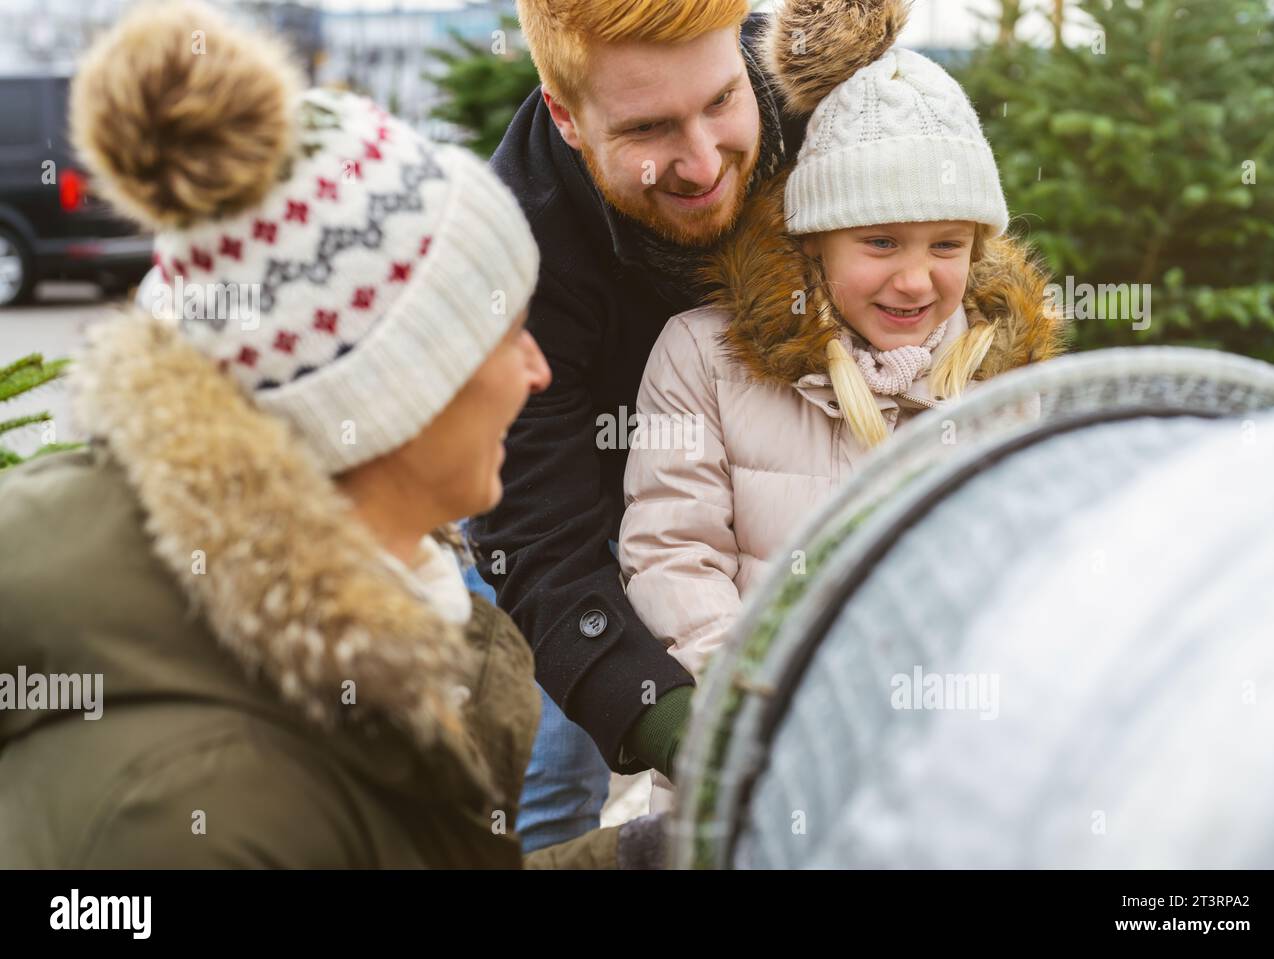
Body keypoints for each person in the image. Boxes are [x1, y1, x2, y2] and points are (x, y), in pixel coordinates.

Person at [0, 0, 659, 868]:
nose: (537, 373)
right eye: (505, 333)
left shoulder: (352, 605)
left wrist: (648, 855)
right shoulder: (200, 812)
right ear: (389, 394)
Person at [469, 0, 905, 828]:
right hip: (583, 511)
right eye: (648, 130)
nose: (703, 163)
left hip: (765, 488)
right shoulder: (514, 248)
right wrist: (689, 734)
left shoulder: (810, 100)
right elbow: (529, 526)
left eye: (719, 103)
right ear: (566, 116)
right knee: (549, 777)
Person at [619, 27, 1069, 806]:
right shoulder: (704, 358)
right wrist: (753, 724)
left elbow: (1026, 574)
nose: (916, 279)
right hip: (756, 770)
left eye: (947, 244)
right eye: (881, 241)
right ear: (816, 238)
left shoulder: (1004, 381)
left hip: (934, 776)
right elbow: (672, 554)